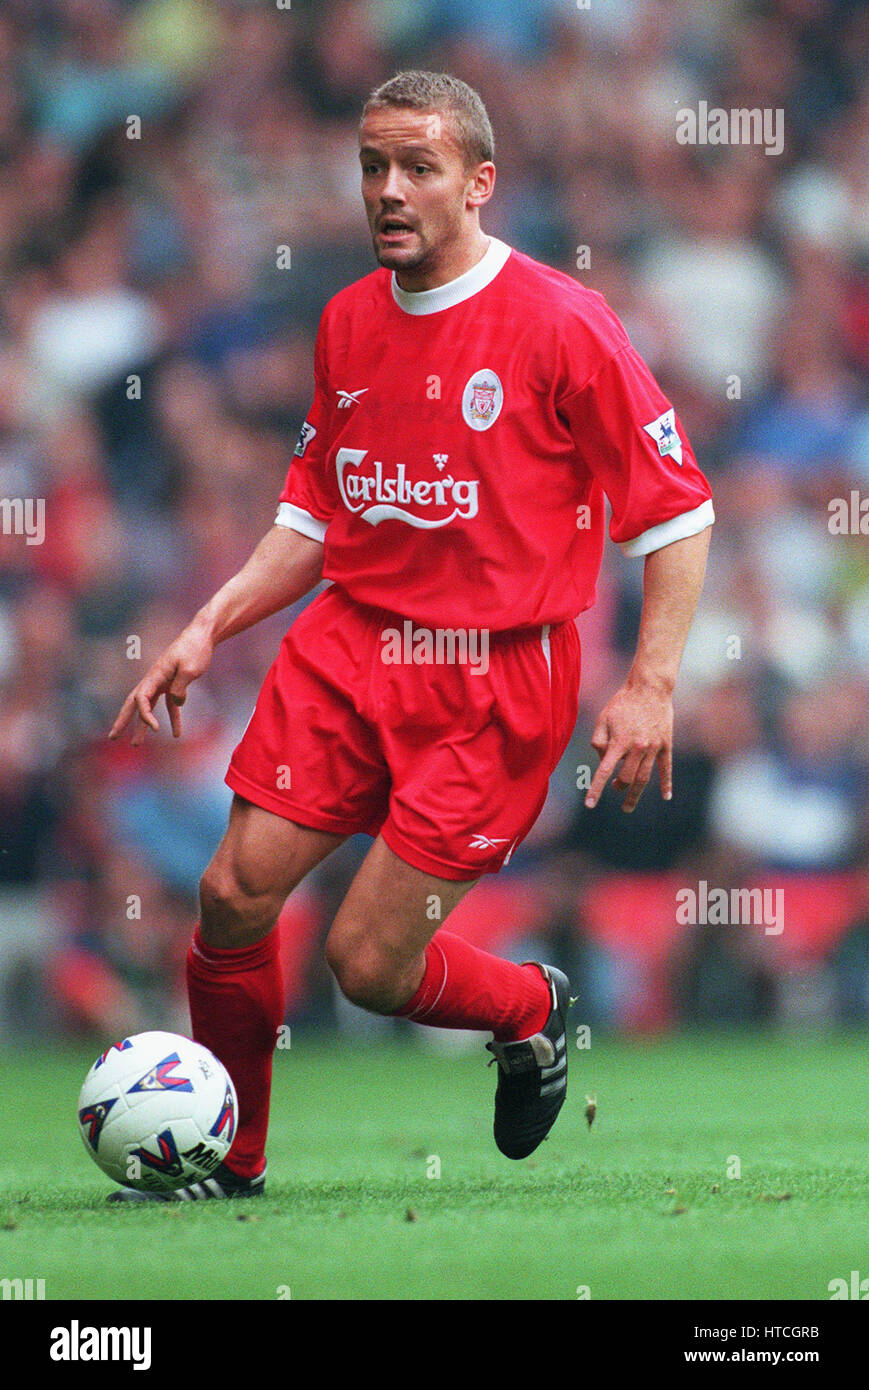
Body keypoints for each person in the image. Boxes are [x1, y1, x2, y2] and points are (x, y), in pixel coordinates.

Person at [109, 71, 713, 1200]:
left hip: (493, 681)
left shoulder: (562, 323)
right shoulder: (344, 320)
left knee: (366, 966)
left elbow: (676, 511)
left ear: (478, 183)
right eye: (372, 167)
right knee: (232, 890)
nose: (388, 190)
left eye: (417, 168)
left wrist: (652, 682)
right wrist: (208, 623)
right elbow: (314, 515)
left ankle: (529, 1009)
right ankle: (223, 1157)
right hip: (348, 648)